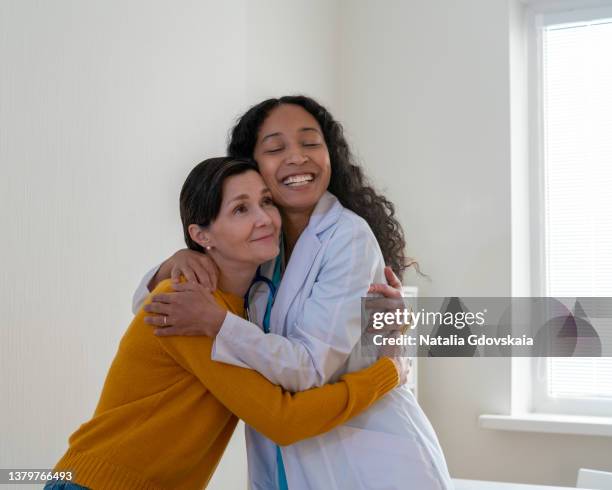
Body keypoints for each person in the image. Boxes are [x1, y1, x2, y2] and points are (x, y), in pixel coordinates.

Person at [135, 96, 453, 489]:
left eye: (310, 143)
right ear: (254, 166)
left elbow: (309, 370)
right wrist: (178, 259)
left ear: (329, 154)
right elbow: (149, 308)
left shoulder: (347, 238)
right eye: (275, 148)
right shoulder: (262, 243)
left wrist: (219, 325)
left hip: (368, 459)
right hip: (290, 459)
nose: (297, 157)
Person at [47, 157, 407, 490]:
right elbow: (285, 420)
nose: (264, 218)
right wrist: (388, 371)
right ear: (202, 236)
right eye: (240, 209)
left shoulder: (241, 309)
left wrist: (388, 323)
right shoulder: (189, 306)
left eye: (266, 201)